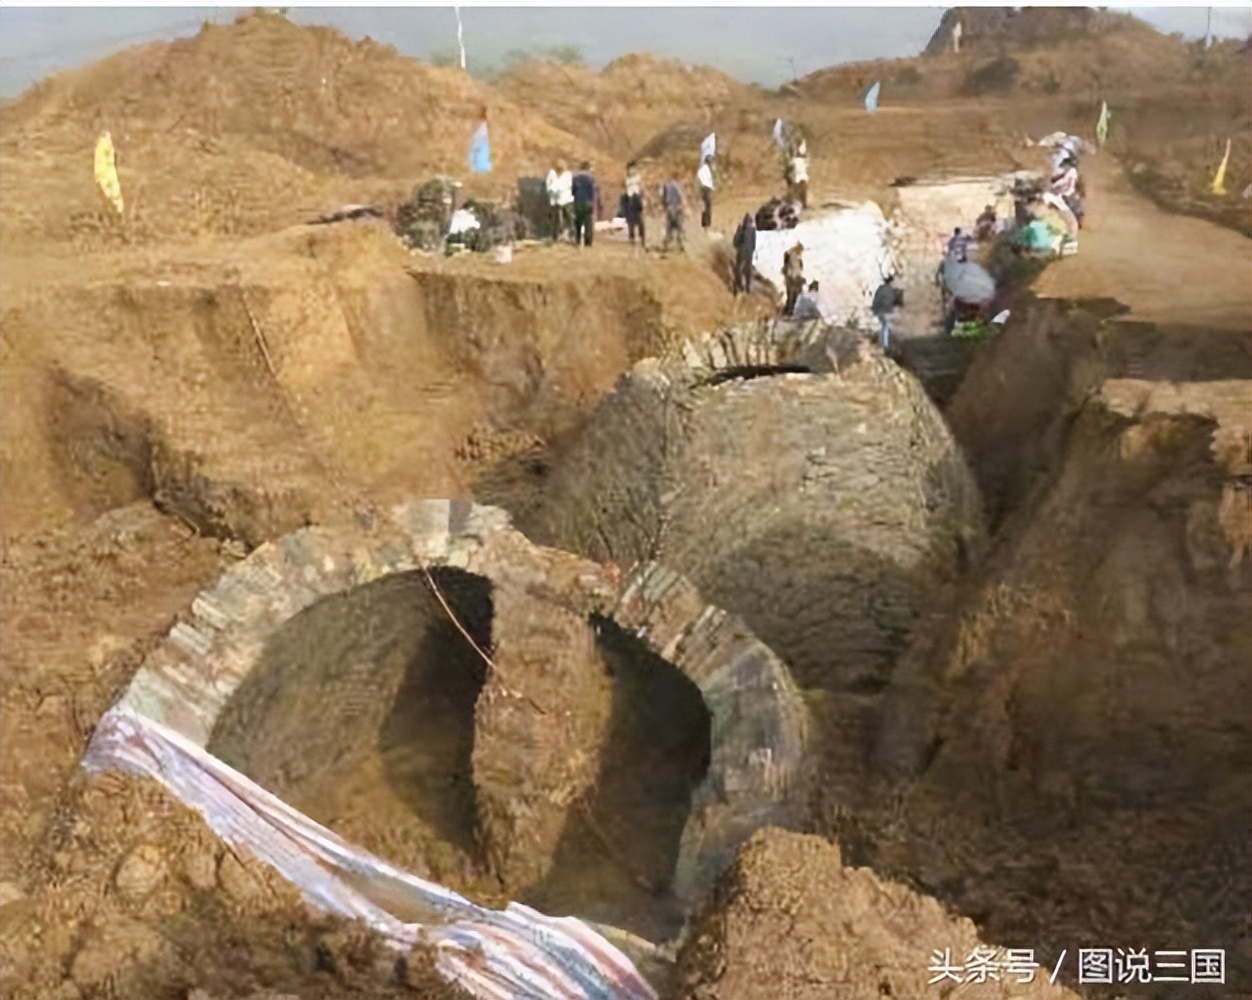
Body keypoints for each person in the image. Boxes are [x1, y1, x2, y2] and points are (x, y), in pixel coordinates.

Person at [871, 274, 905, 351]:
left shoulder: (880, 288)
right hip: (886, 310)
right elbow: (898, 301)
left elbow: (875, 300)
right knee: (886, 326)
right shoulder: (893, 290)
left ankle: (882, 343)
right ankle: (884, 345)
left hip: (878, 309)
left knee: (883, 326)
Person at [546, 159, 574, 241]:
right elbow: (549, 186)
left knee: (569, 218)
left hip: (566, 200)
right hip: (555, 201)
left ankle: (570, 234)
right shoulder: (551, 174)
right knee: (556, 219)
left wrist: (559, 192)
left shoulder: (567, 175)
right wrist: (553, 193)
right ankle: (556, 235)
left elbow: (567, 185)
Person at [571, 161, 597, 247]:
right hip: (588, 202)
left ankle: (577, 239)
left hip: (578, 202)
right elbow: (593, 191)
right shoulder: (591, 179)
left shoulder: (575, 179)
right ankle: (588, 241)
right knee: (588, 223)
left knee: (578, 222)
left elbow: (572, 191)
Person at [731, 213, 756, 294]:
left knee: (739, 269)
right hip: (749, 252)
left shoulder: (741, 228)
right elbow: (754, 244)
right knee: (748, 270)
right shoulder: (753, 230)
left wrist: (738, 247)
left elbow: (735, 241)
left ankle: (738, 286)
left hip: (742, 251)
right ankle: (748, 287)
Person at [624, 162, 645, 250]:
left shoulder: (638, 177)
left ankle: (642, 237)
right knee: (630, 220)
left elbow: (642, 188)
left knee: (640, 219)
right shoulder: (626, 179)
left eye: (633, 169)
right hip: (630, 199)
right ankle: (631, 237)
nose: (631, 171)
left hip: (637, 198)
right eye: (630, 169)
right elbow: (625, 189)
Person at [661, 174, 685, 252]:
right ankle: (680, 245)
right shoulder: (679, 186)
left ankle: (666, 245)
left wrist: (665, 207)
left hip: (670, 208)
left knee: (669, 228)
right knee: (679, 227)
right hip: (678, 208)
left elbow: (663, 198)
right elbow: (682, 197)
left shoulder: (666, 186)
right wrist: (683, 206)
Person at [782, 242, 805, 315]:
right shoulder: (793, 255)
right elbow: (795, 268)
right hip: (792, 277)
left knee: (792, 295)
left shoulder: (794, 255)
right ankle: (789, 311)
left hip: (792, 277)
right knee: (792, 295)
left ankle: (789, 311)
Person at [697, 155, 715, 230]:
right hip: (706, 189)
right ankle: (706, 223)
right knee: (707, 206)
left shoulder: (704, 169)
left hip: (705, 188)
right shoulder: (705, 169)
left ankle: (705, 223)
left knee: (706, 206)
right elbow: (707, 180)